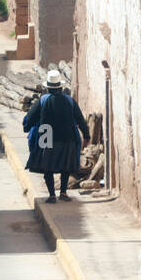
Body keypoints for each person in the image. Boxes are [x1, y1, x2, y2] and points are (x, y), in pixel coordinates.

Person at [22, 70, 90, 203]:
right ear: (60, 86)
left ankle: (52, 195)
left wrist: (27, 127)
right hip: (67, 136)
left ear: (47, 87)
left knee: (47, 166)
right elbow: (80, 119)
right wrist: (86, 135)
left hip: (46, 135)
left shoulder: (42, 100)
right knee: (66, 165)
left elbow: (30, 118)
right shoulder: (70, 101)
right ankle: (63, 192)